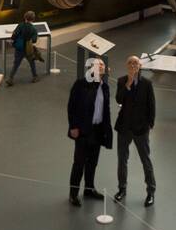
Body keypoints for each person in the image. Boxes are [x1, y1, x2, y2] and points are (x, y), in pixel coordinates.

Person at [66, 57, 113, 207]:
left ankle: (89, 189)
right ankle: (73, 194)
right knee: (79, 163)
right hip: (83, 130)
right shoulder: (81, 84)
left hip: (98, 130)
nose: (100, 67)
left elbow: (106, 110)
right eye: (96, 65)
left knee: (93, 162)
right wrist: (73, 126)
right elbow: (71, 106)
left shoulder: (104, 87)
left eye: (102, 65)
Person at [114, 55, 156, 206]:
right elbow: (119, 99)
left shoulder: (147, 84)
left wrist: (150, 124)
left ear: (140, 66)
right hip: (124, 127)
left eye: (135, 63)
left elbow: (151, 105)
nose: (133, 65)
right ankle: (122, 189)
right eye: (130, 63)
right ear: (127, 66)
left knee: (146, 160)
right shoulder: (121, 81)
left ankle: (151, 192)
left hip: (141, 128)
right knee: (122, 160)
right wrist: (128, 84)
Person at [6, 10, 40, 86]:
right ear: (33, 19)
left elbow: (14, 34)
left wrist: (12, 40)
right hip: (28, 49)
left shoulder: (20, 25)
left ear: (25, 17)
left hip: (19, 48)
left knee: (16, 64)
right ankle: (35, 77)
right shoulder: (33, 29)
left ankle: (10, 79)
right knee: (32, 62)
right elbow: (34, 40)